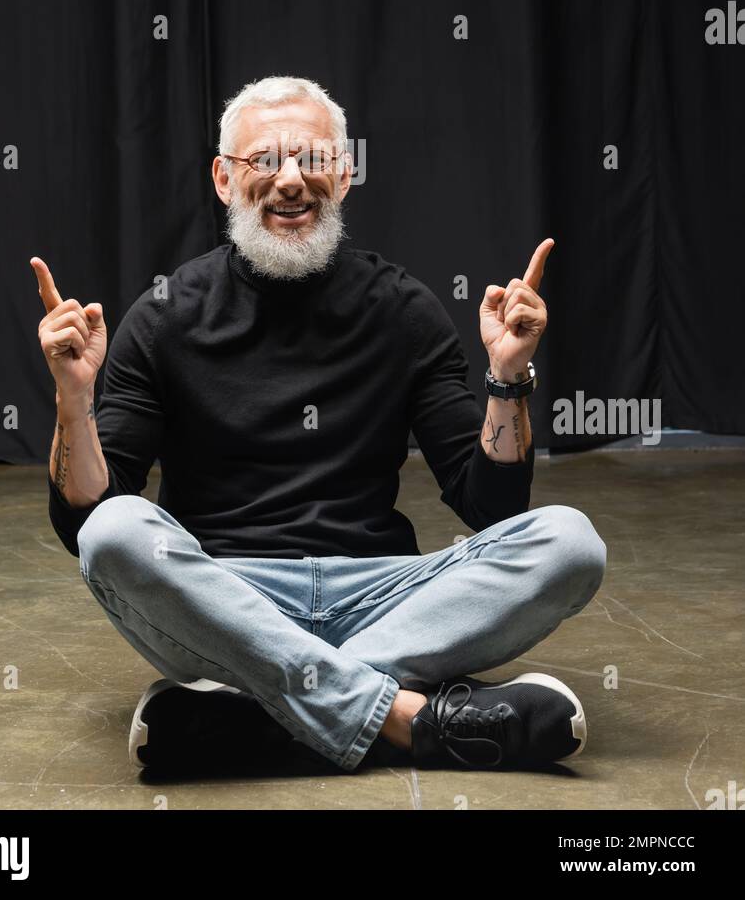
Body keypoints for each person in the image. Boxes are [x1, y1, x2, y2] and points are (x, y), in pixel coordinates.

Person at [31, 74, 606, 775]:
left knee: (569, 542)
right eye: (264, 160)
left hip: (384, 593)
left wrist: (506, 376)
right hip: (223, 598)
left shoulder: (403, 309)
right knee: (117, 532)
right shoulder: (164, 316)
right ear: (222, 178)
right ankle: (406, 719)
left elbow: (488, 504)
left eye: (315, 159)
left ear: (346, 174)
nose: (292, 181)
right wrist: (71, 397)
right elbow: (82, 519)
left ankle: (256, 715)